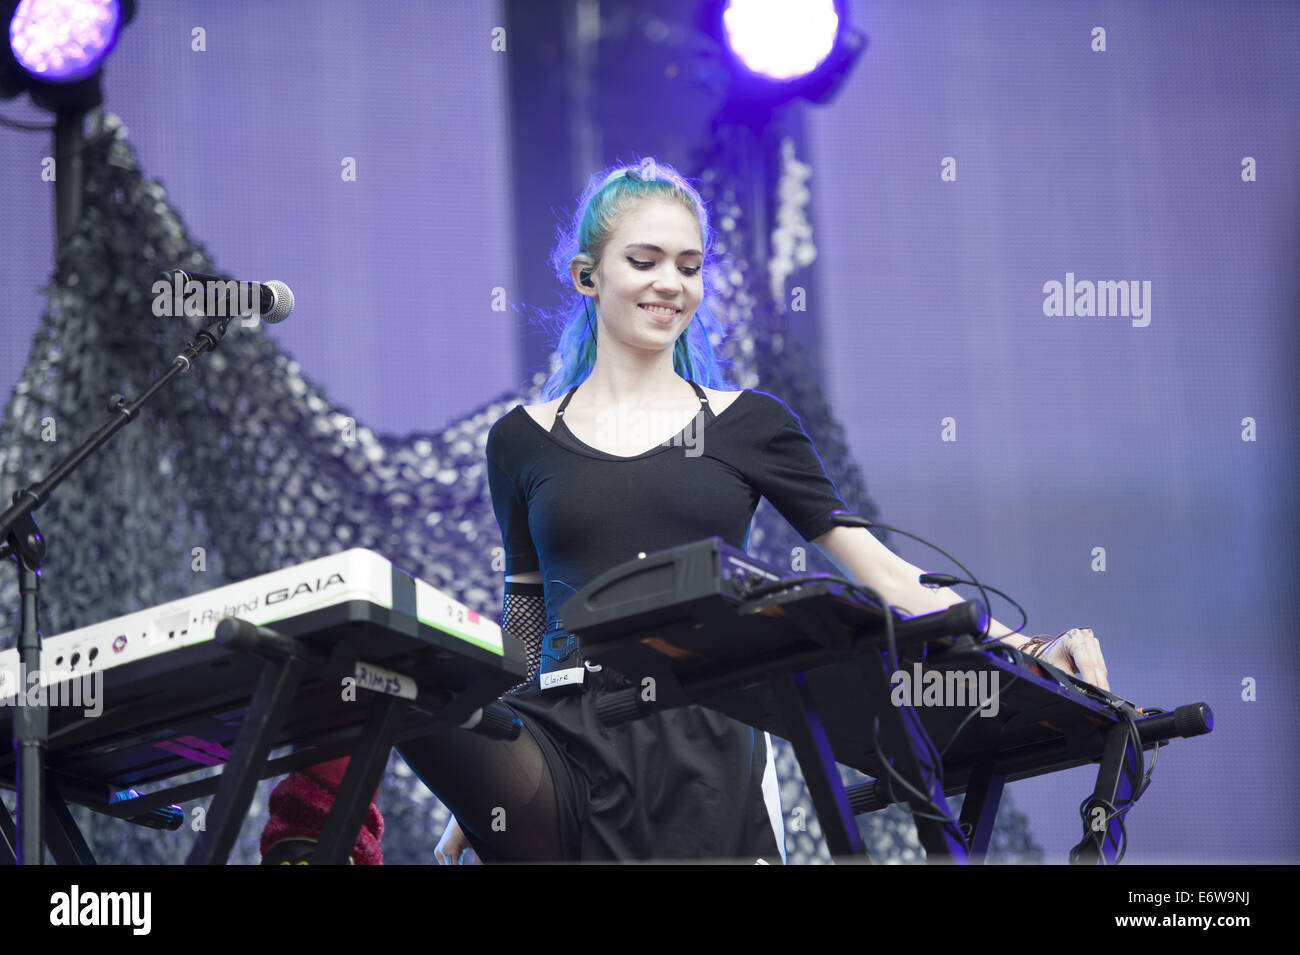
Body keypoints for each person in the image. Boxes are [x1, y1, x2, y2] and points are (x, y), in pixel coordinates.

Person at [260, 159, 1110, 865]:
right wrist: (478, 782)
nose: (671, 282)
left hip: (707, 744)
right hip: (556, 746)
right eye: (645, 260)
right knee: (370, 656)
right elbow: (528, 613)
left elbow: (886, 576)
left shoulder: (751, 424)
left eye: (689, 264)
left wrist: (1029, 650)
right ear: (587, 275)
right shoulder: (519, 441)